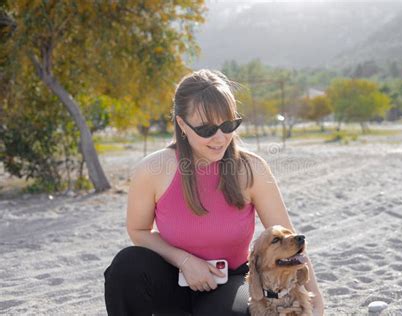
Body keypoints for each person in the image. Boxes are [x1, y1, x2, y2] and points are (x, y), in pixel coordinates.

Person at [103, 69, 324, 315]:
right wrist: (184, 261)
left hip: (229, 283)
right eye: (206, 129)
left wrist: (316, 301)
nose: (220, 138)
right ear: (182, 124)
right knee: (126, 266)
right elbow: (139, 231)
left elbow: (289, 239)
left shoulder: (252, 169)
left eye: (228, 125)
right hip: (171, 280)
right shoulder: (154, 169)